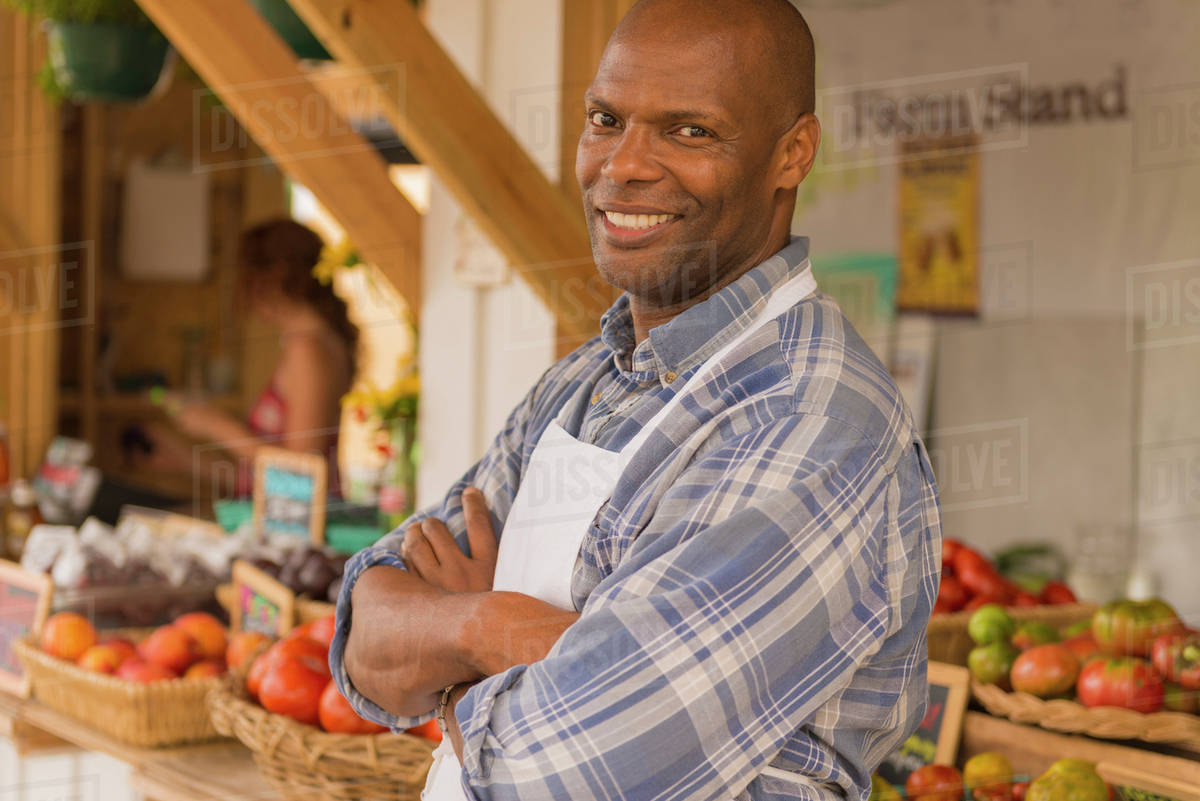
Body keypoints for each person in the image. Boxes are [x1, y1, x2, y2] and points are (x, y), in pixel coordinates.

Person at [331, 0, 941, 798]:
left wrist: (444, 670)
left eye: (689, 131)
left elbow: (560, 770)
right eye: (605, 118)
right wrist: (491, 624)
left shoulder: (810, 420)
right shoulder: (585, 380)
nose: (623, 165)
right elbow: (362, 642)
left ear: (792, 153)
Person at [141, 219, 356, 497]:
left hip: (299, 529)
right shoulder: (309, 344)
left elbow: (301, 471)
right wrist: (186, 462)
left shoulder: (309, 349)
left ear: (275, 275)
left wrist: (216, 425)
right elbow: (271, 479)